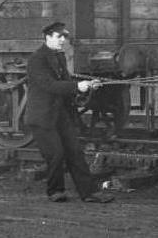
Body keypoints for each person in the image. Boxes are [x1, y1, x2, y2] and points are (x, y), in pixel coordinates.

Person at [24, 22, 114, 203]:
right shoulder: (36, 59)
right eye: (59, 36)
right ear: (47, 37)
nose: (63, 40)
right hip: (42, 116)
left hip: (60, 114)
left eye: (64, 37)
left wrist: (88, 85)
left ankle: (89, 193)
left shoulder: (60, 57)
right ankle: (55, 191)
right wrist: (77, 86)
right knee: (56, 154)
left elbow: (66, 81)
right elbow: (49, 85)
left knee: (75, 152)